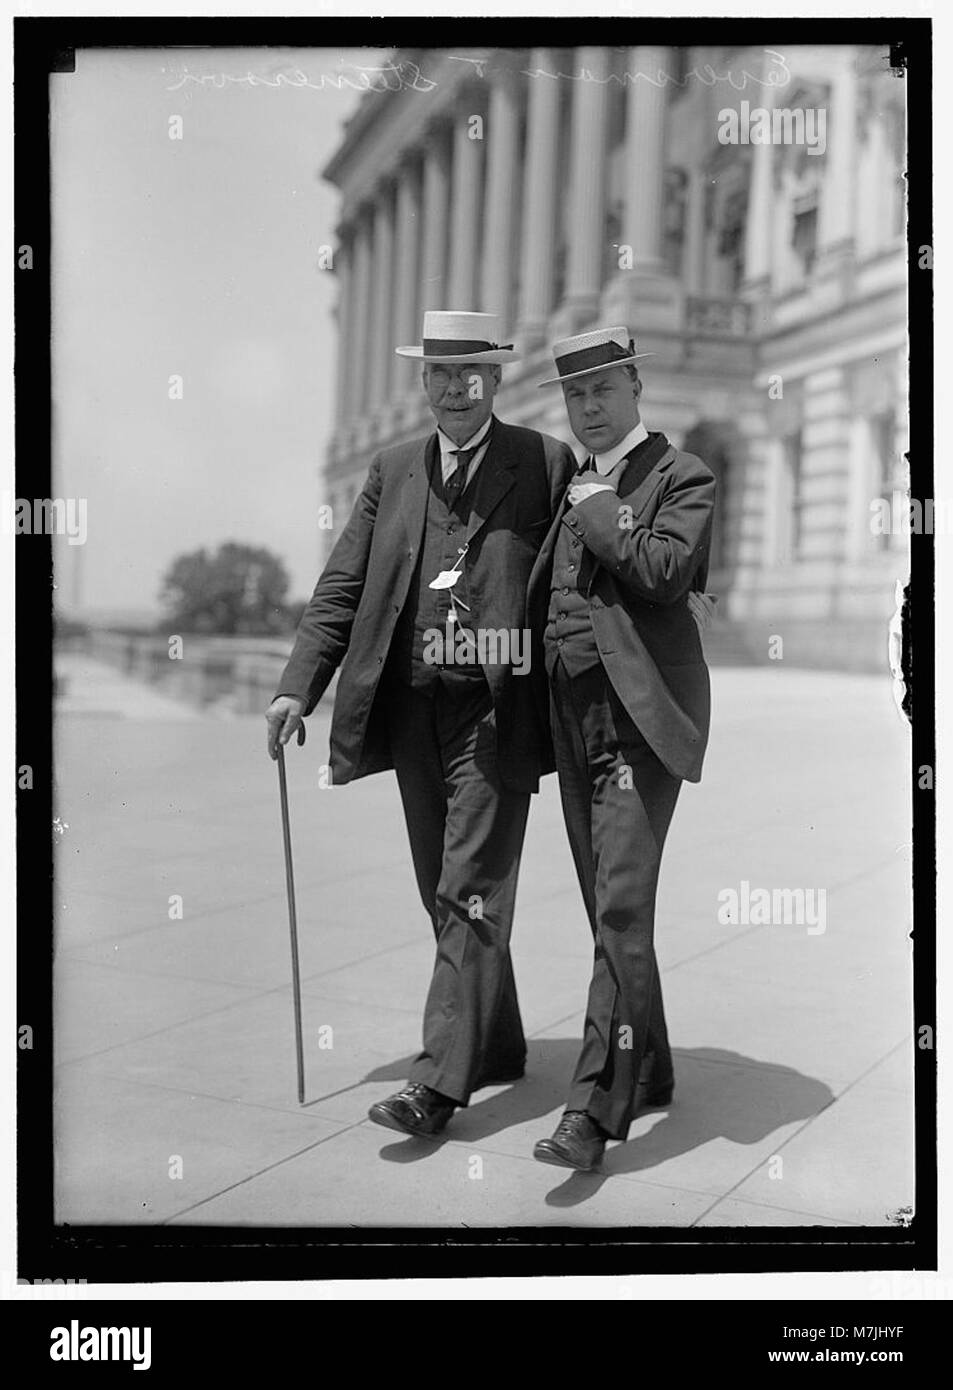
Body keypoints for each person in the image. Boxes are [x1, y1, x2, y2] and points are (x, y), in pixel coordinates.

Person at [265, 311, 577, 1139]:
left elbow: (569, 587)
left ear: (496, 381)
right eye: (440, 374)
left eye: (471, 372)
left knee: (467, 888)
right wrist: (299, 687)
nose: (455, 388)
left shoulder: (543, 464)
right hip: (410, 709)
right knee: (442, 894)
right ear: (424, 383)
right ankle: (496, 1042)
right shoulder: (393, 469)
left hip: (492, 710)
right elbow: (342, 585)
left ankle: (436, 1085)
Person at [526, 326, 716, 1171]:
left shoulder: (681, 475)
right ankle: (655, 1066)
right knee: (608, 906)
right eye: (575, 396)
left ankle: (594, 1114)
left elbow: (667, 571)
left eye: (603, 390)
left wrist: (603, 516)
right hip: (572, 722)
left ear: (636, 387)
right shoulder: (567, 478)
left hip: (640, 724)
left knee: (620, 909)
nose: (588, 409)